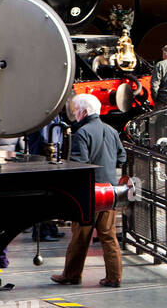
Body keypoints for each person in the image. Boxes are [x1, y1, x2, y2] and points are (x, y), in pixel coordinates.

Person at [51, 94, 127, 288]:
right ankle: (114, 276)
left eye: (76, 110)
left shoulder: (82, 133)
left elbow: (80, 165)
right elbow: (122, 157)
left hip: (89, 194)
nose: (74, 114)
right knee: (108, 235)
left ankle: (71, 275)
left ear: (84, 112)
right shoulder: (111, 130)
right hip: (110, 192)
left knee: (80, 236)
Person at [27, 111, 68, 240]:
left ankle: (51, 228)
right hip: (44, 158)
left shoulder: (52, 114)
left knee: (51, 195)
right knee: (44, 195)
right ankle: (42, 232)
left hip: (47, 157)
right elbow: (47, 137)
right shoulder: (45, 115)